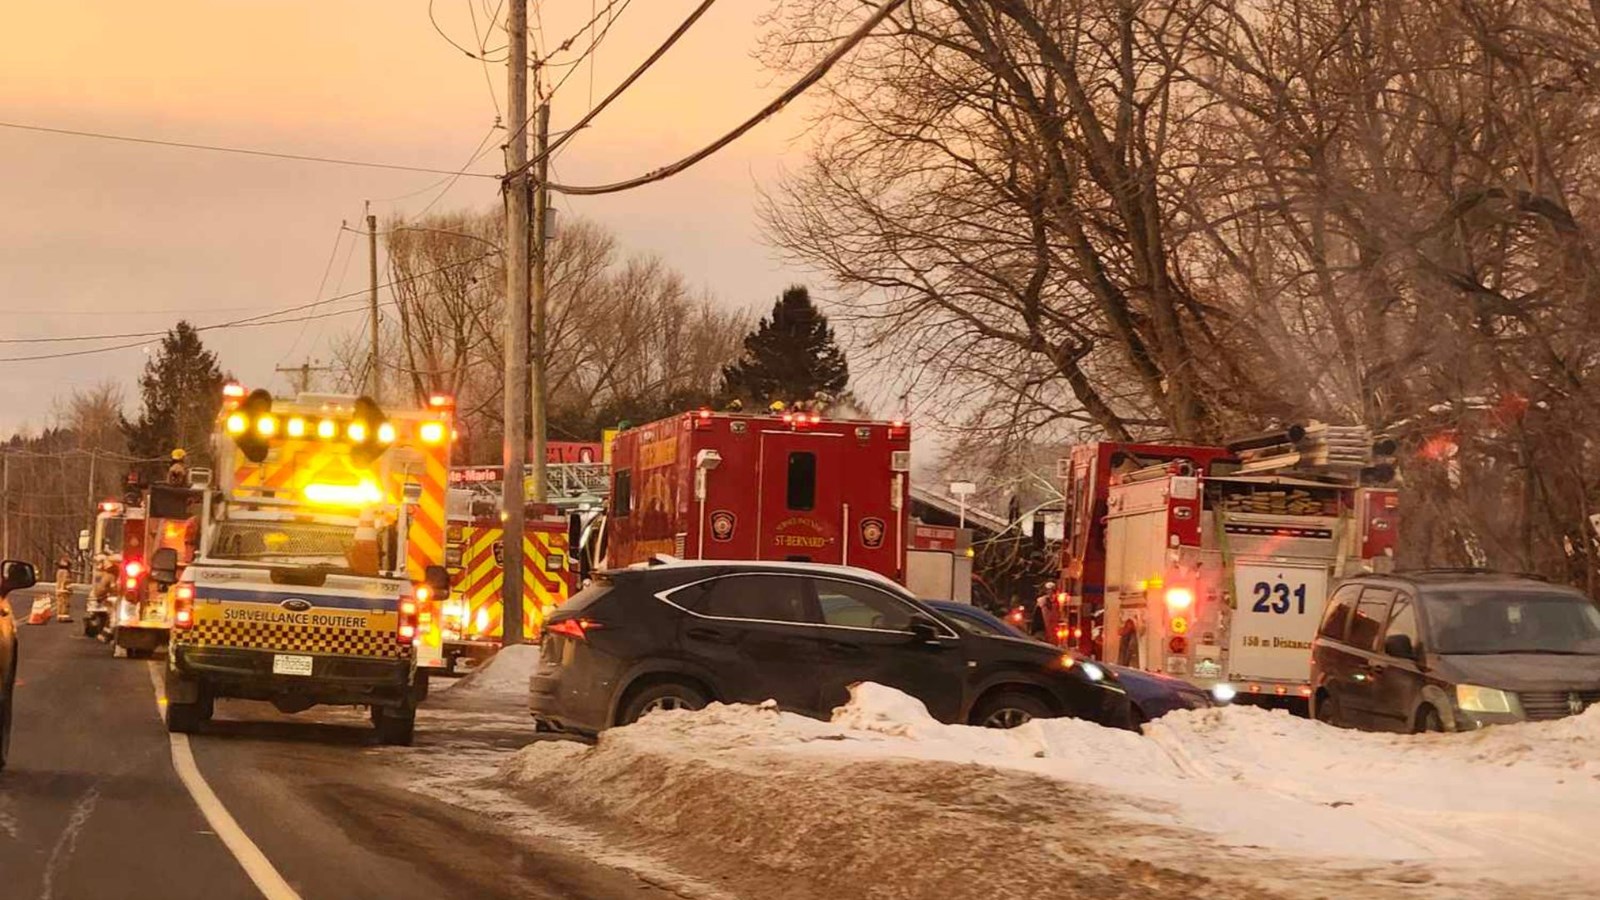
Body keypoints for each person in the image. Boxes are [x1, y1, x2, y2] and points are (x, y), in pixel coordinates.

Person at [53, 554, 74, 622]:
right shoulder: (66, 572)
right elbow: (67, 581)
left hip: (59, 590)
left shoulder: (59, 571)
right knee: (65, 604)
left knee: (59, 603)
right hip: (64, 590)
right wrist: (69, 589)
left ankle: (59, 616)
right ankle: (64, 617)